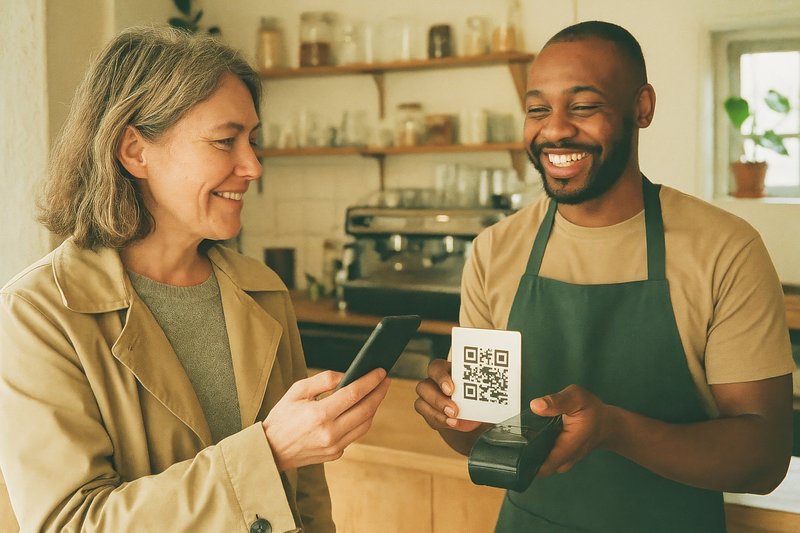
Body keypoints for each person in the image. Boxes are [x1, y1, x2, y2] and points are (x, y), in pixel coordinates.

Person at [0, 26, 391, 532]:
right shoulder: (37, 313)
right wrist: (267, 452)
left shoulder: (263, 291)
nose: (253, 166)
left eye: (253, 141)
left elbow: (307, 501)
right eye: (225, 141)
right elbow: (71, 523)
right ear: (134, 151)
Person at [415, 20, 795, 532]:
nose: (553, 130)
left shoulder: (725, 249)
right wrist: (451, 416)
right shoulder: (495, 250)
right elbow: (484, 437)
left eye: (583, 106)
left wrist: (614, 429)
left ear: (642, 107)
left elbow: (765, 458)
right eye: (537, 109)